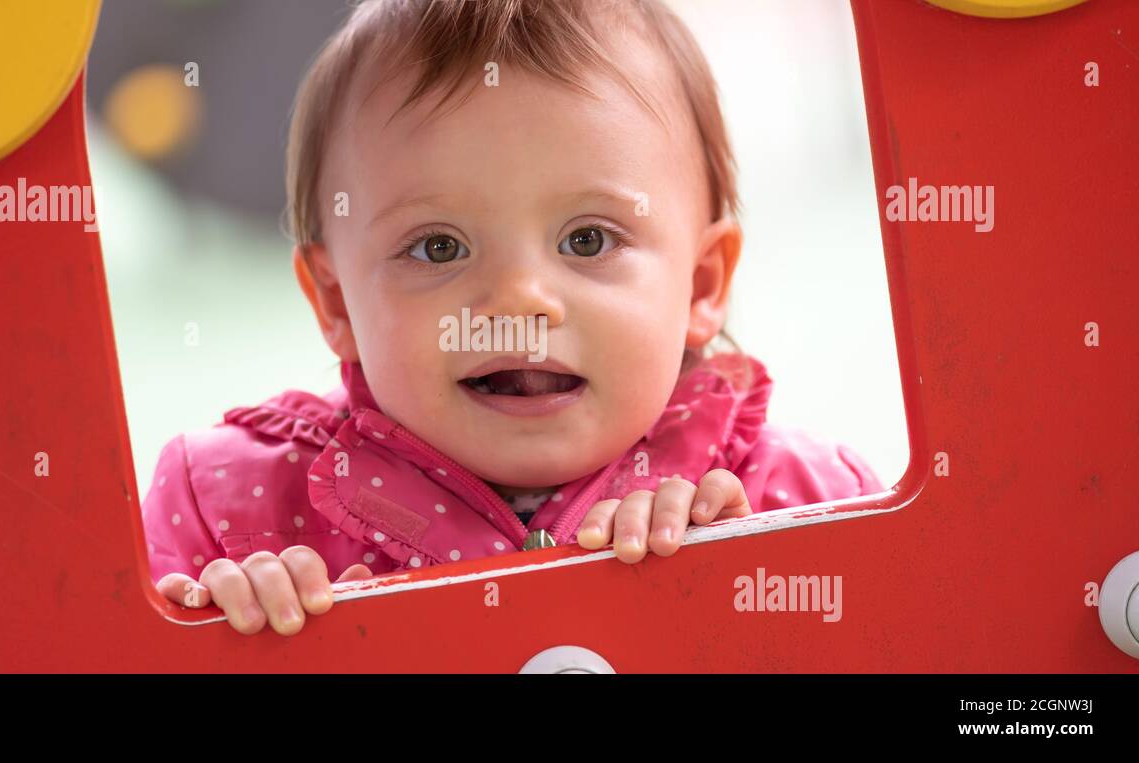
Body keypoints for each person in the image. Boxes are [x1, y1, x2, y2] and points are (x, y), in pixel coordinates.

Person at [142, 0, 883, 636]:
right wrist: (217, 636)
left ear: (699, 285)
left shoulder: (802, 506)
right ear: (335, 302)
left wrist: (754, 624)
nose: (521, 298)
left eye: (587, 240)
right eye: (438, 246)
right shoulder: (228, 514)